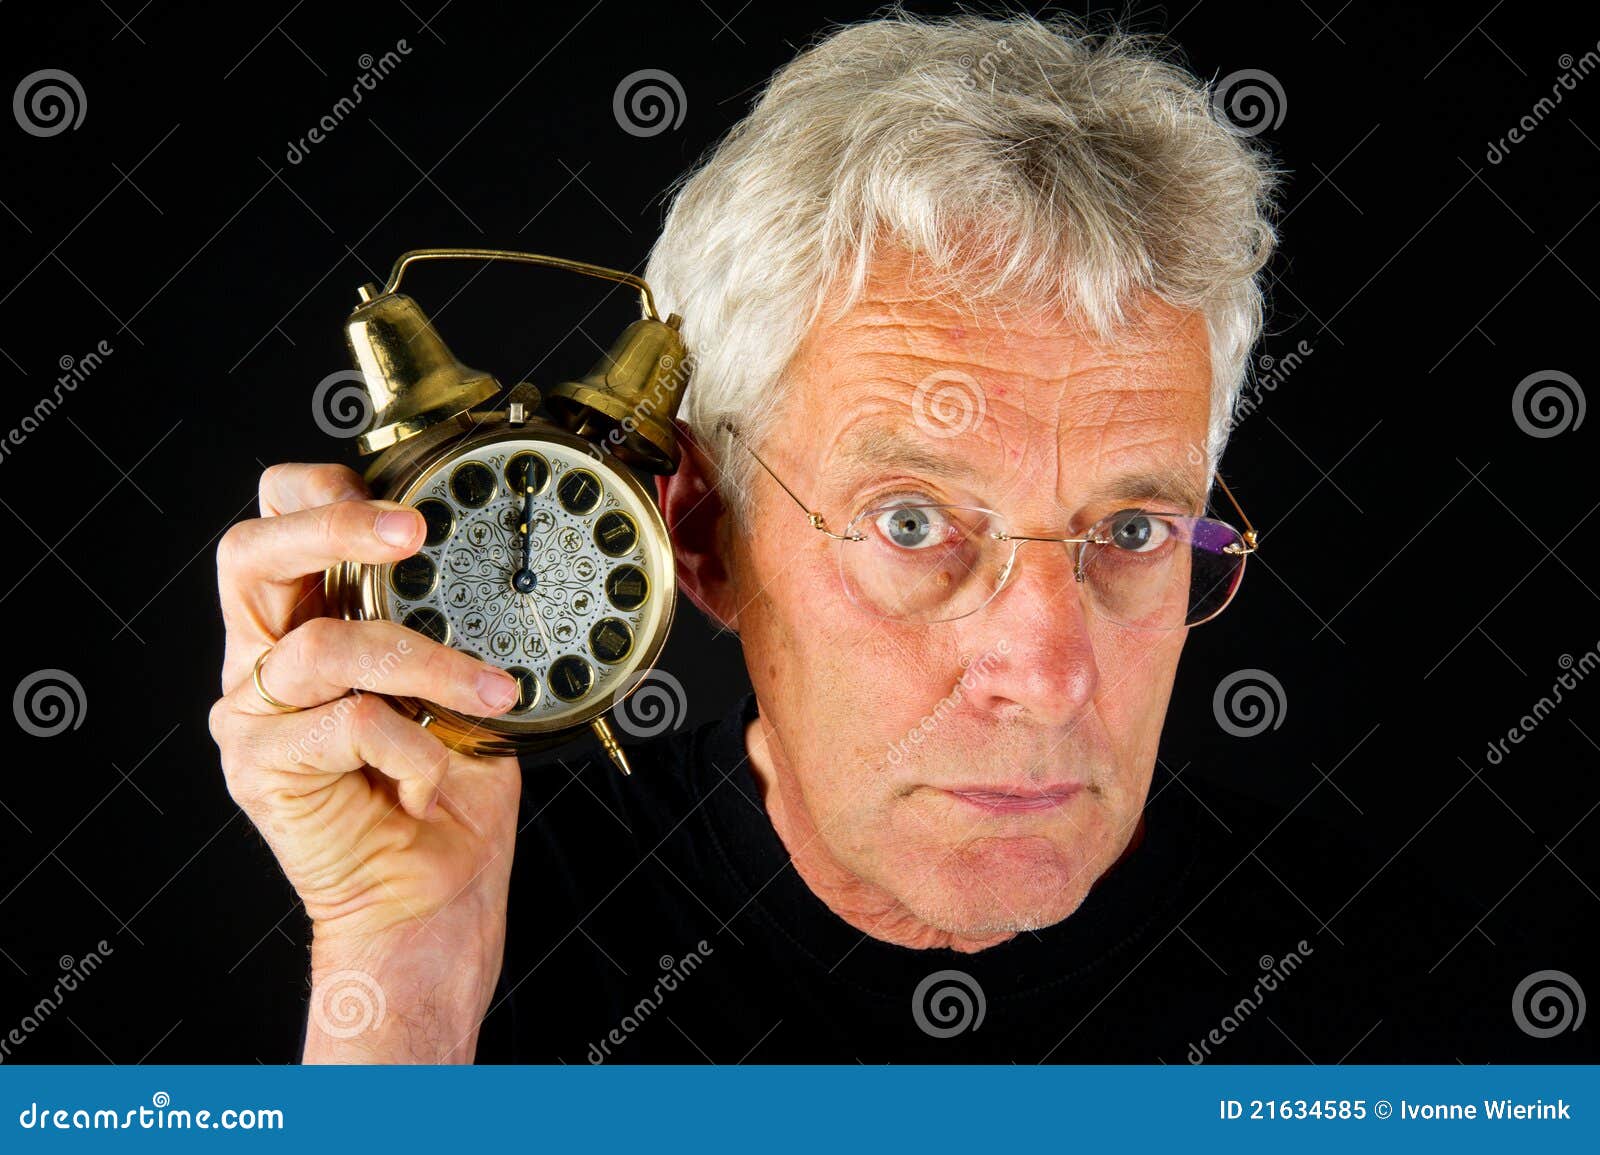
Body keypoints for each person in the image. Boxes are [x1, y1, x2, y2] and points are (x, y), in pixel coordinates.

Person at [208, 12, 1558, 1063]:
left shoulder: (1406, 1006)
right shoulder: (439, 914)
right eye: (914, 523)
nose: (1050, 668)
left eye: (1133, 526)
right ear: (700, 539)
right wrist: (410, 987)